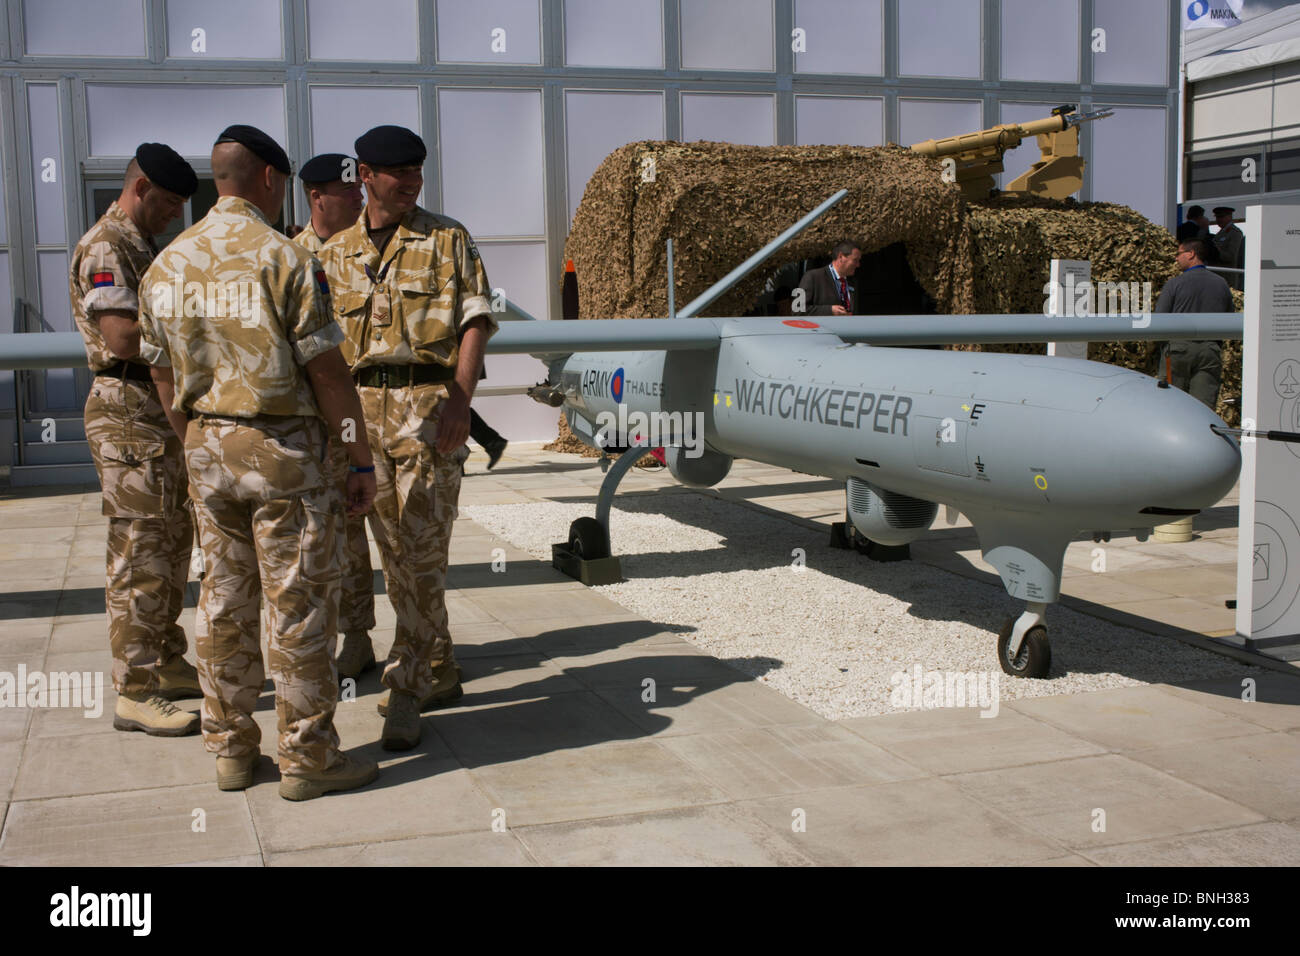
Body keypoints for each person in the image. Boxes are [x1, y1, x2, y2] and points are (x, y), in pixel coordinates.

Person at [137, 124, 379, 800]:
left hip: (207, 452)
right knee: (298, 605)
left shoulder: (168, 263)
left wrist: (194, 435)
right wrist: (359, 456)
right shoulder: (287, 259)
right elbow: (329, 373)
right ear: (270, 179)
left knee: (222, 601)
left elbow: (159, 373)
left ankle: (231, 750)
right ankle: (307, 758)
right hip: (285, 458)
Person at [319, 124, 495, 750]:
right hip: (358, 415)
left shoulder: (447, 238)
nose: (412, 182)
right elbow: (316, 348)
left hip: (428, 410)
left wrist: (462, 400)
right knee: (393, 558)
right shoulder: (332, 253)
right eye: (399, 173)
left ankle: (407, 686)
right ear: (365, 174)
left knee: (421, 558)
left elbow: (476, 321)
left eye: (419, 172)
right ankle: (439, 662)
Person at [70, 143, 202, 737]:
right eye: (170, 202)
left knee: (172, 546)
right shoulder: (108, 246)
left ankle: (166, 659)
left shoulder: (144, 246)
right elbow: (122, 338)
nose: (176, 215)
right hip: (128, 414)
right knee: (138, 554)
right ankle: (135, 688)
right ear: (141, 188)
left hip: (154, 409)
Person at [291, 153, 377, 680]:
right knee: (316, 535)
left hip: (363, 408)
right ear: (317, 197)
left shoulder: (373, 249)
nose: (359, 199)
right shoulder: (286, 255)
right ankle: (323, 634)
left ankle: (363, 636)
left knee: (365, 528)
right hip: (309, 418)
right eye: (348, 193)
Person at [1154, 238, 1234, 409]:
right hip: (1210, 351)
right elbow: (1230, 318)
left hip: (1177, 350)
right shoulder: (1221, 284)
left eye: (1179, 254)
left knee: (1169, 404)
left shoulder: (1174, 284)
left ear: (1191, 254)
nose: (1176, 258)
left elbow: (1159, 318)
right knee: (1203, 408)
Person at [796, 240, 861, 316]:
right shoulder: (812, 277)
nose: (858, 265)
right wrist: (829, 310)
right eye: (855, 260)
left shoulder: (852, 282)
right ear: (841, 257)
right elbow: (797, 310)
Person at [1211, 206, 1244, 290]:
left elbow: (1231, 256)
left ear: (1229, 217)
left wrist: (1216, 251)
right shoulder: (1221, 233)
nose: (1218, 220)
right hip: (1218, 276)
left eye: (1221, 217)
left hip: (1227, 277)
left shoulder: (1234, 232)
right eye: (1217, 217)